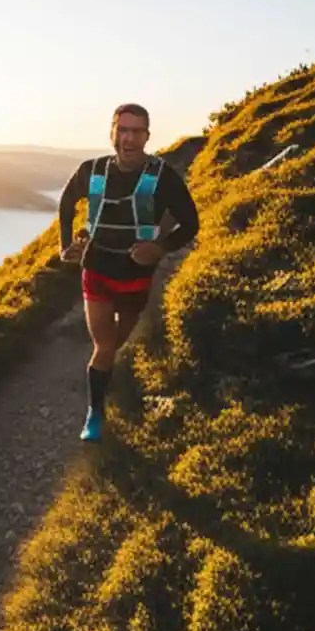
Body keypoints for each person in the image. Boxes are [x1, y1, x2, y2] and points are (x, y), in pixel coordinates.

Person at [57, 103, 199, 441]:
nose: (129, 138)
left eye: (137, 131)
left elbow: (191, 223)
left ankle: (106, 372)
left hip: (136, 274)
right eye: (123, 130)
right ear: (112, 133)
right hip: (97, 268)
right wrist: (65, 246)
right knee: (104, 344)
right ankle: (96, 413)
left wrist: (159, 248)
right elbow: (66, 203)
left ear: (147, 136)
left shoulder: (163, 177)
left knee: (119, 339)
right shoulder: (91, 171)